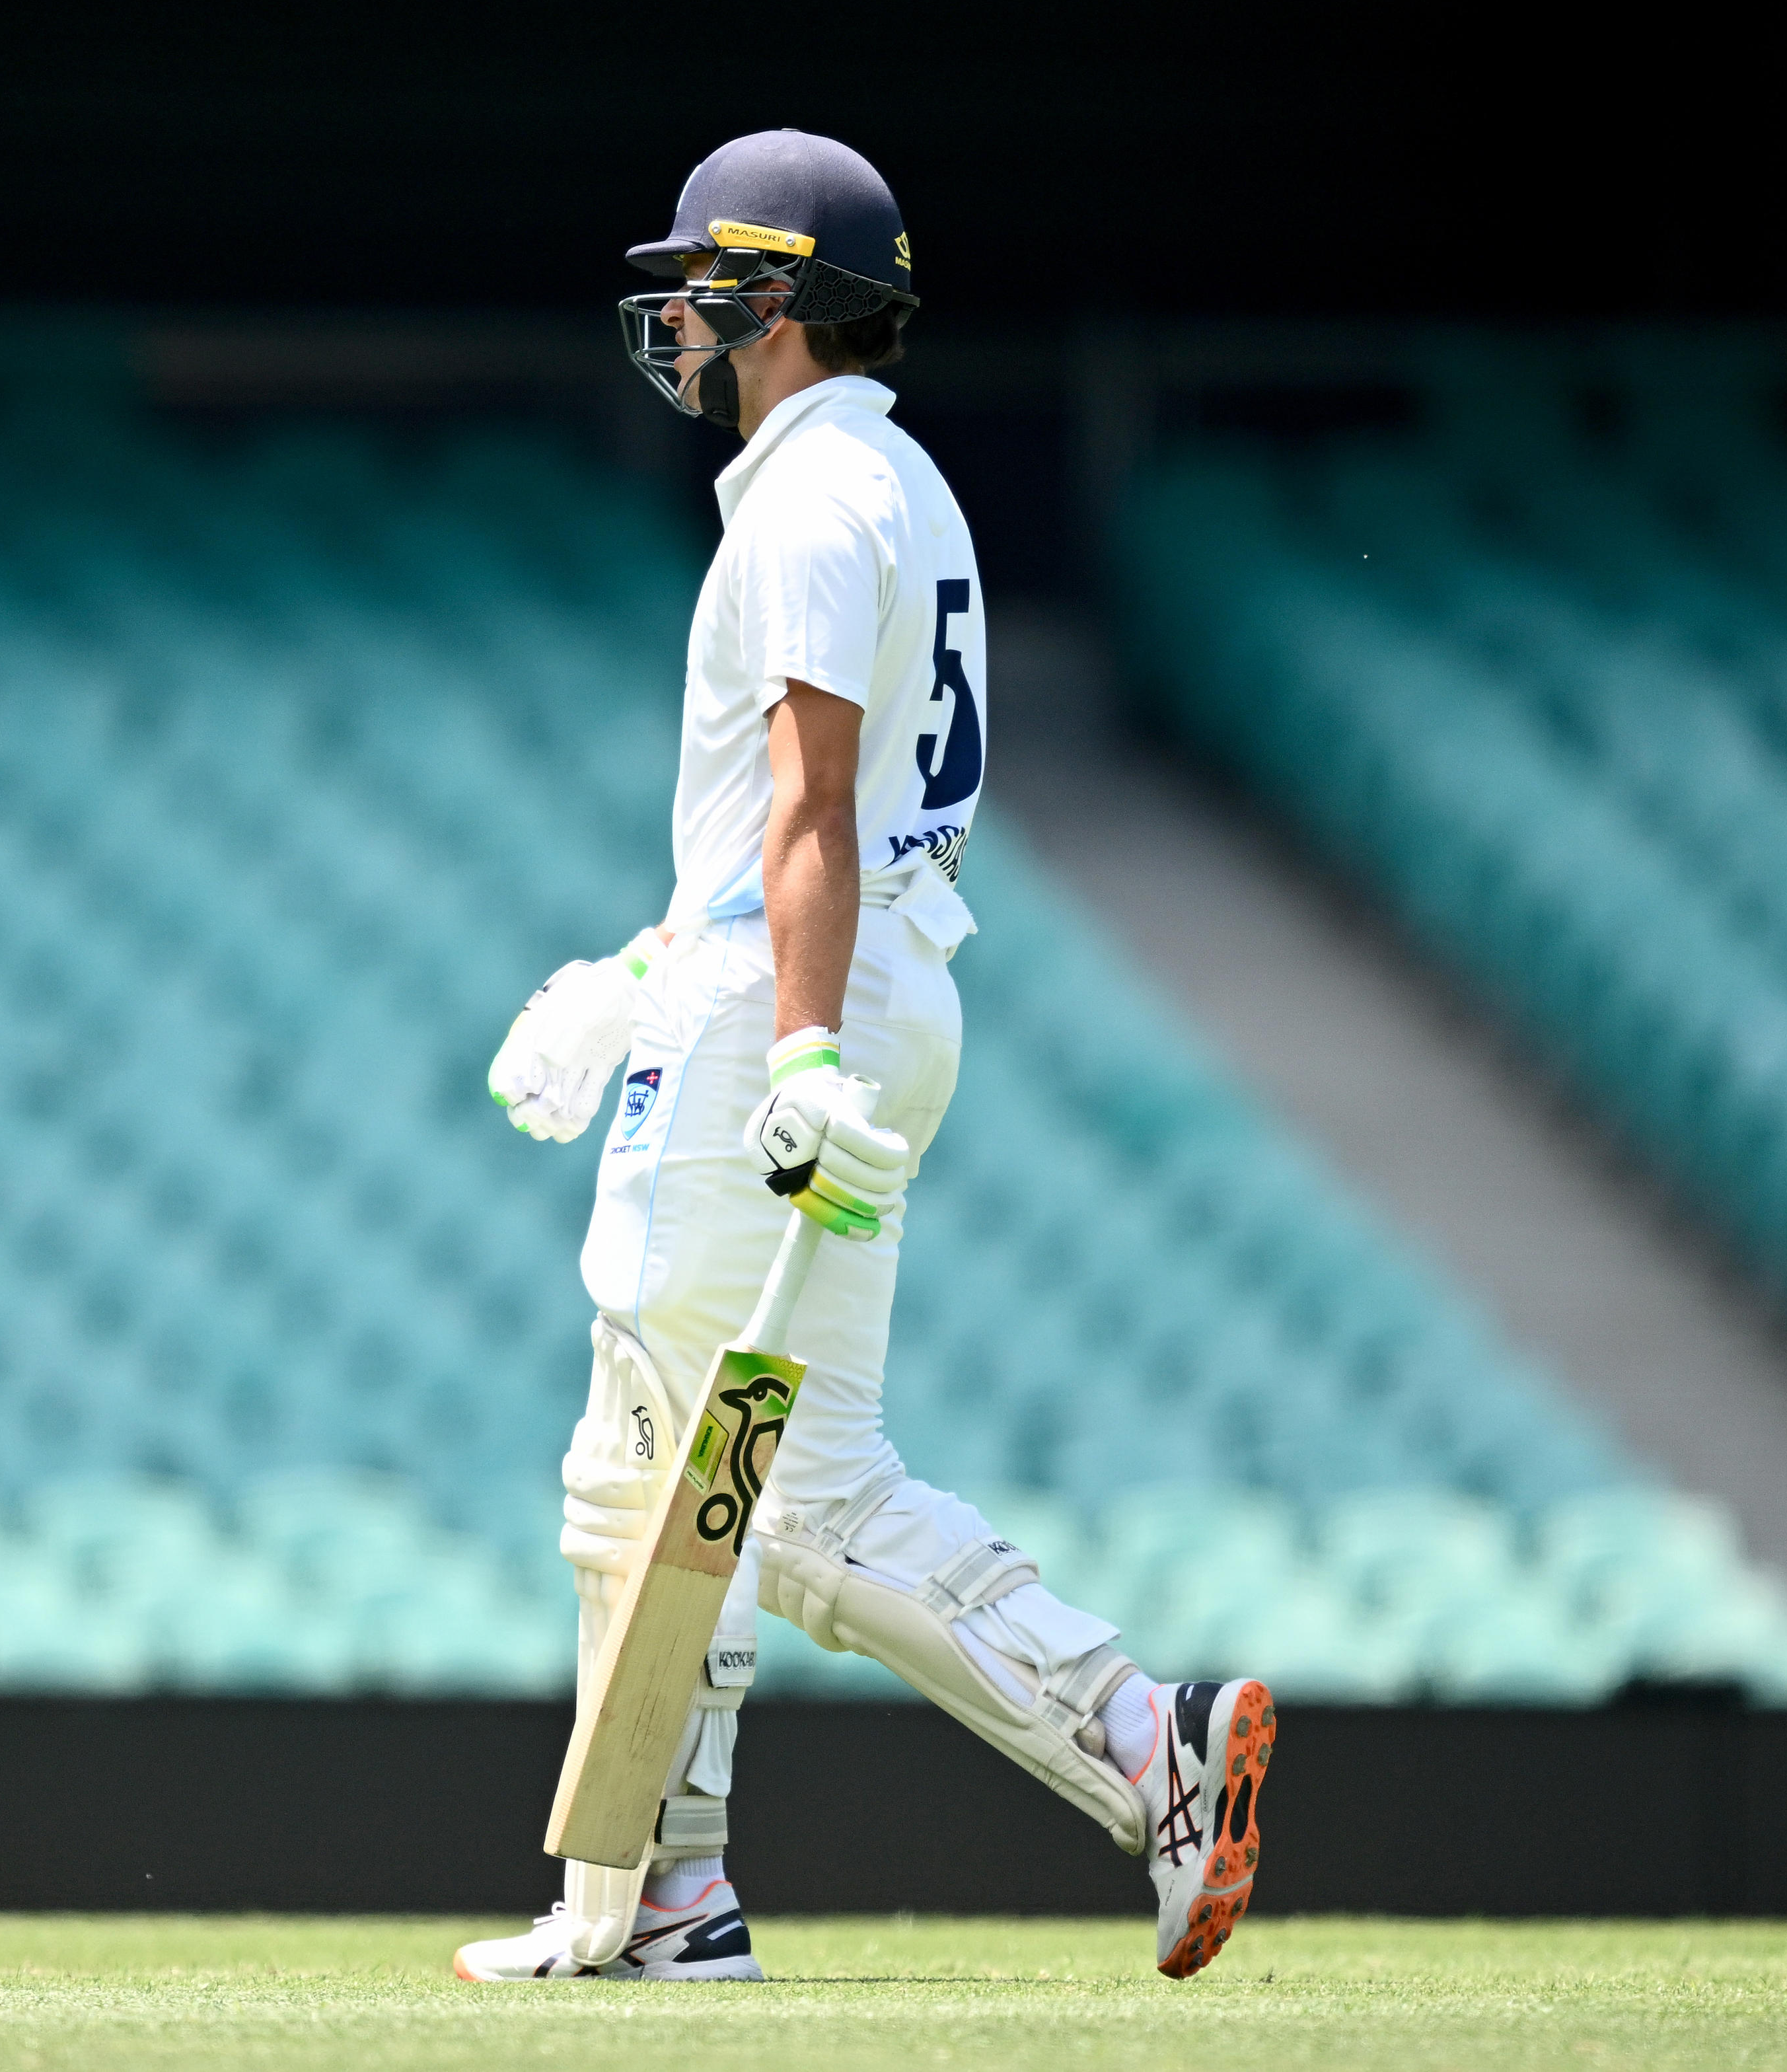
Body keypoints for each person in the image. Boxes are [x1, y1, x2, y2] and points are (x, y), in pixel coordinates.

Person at [460, 130, 1272, 1985]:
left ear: (775, 294)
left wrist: (790, 1043)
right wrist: (642, 970)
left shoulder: (811, 506)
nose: (676, 318)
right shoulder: (898, 484)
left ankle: (652, 1903)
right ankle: (1145, 1740)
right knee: (807, 1493)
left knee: (645, 1455)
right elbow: (812, 819)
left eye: (703, 283)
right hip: (866, 995)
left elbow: (816, 812)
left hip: (796, 1018)